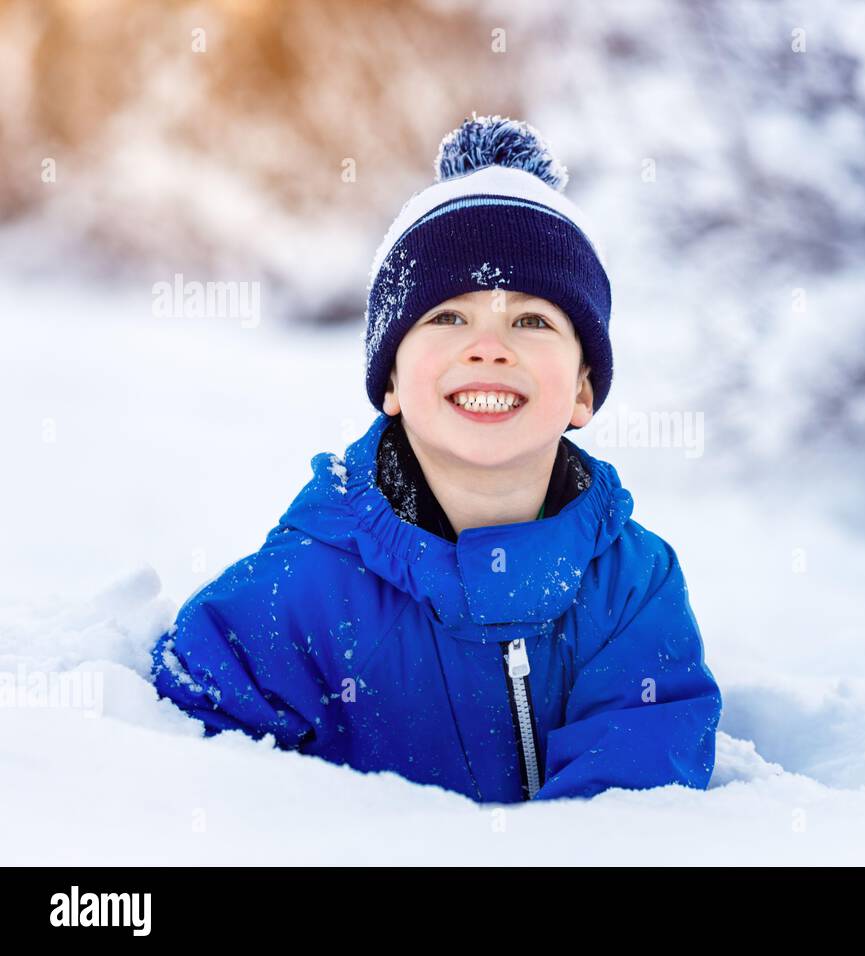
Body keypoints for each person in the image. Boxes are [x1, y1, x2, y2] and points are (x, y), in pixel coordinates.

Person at [149, 113, 723, 804]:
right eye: (449, 316)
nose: (488, 346)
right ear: (389, 381)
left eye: (531, 320)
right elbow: (182, 759)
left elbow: (640, 795)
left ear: (582, 389)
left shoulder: (632, 587)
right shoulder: (305, 588)